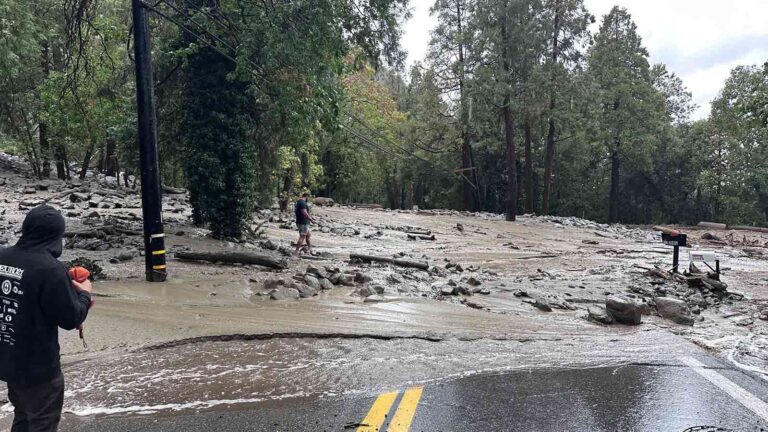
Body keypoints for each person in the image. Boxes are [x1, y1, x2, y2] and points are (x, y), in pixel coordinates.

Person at [0, 205, 93, 432]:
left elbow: (27, 290)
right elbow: (70, 318)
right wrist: (84, 293)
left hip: (8, 360)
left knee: (22, 416)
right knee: (42, 424)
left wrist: (63, 282)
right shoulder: (50, 269)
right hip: (39, 368)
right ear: (56, 237)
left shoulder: (2, 256)